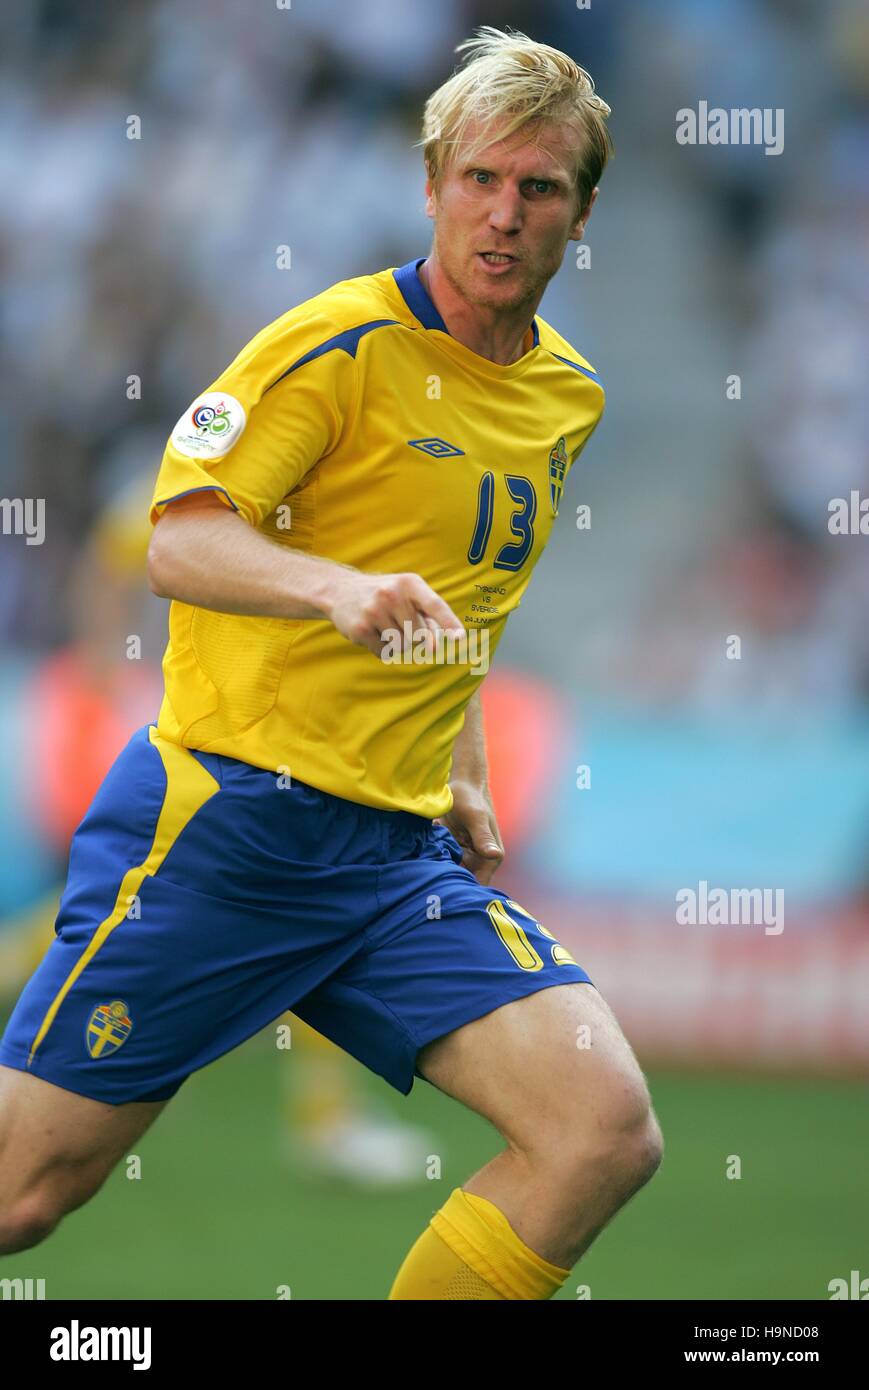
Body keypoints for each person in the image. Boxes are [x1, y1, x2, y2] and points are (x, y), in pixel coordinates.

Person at [0, 26, 663, 1300]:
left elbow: (470, 603)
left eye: (538, 188)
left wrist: (459, 766)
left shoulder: (565, 394)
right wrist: (333, 588)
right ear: (430, 185)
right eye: (478, 179)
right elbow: (179, 540)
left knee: (599, 1132)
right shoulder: (331, 346)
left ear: (580, 213)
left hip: (392, 858)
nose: (502, 213)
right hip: (229, 826)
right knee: (25, 1194)